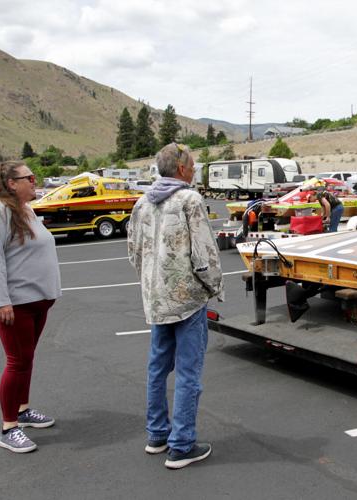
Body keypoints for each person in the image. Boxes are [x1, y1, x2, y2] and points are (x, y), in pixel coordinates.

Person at [127, 143, 224, 470]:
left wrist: (151, 282)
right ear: (181, 169)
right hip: (186, 300)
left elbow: (134, 251)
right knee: (188, 371)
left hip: (156, 298)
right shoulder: (189, 200)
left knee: (157, 367)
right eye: (193, 165)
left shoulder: (143, 201)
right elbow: (204, 252)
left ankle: (157, 434)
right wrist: (214, 287)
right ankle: (182, 445)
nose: (195, 170)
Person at [0, 161, 61, 453]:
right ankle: (8, 427)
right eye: (29, 177)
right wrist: (1, 300)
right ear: (12, 183)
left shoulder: (24, 209)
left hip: (37, 300)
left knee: (27, 358)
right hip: (16, 304)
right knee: (17, 361)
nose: (34, 180)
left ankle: (23, 410)